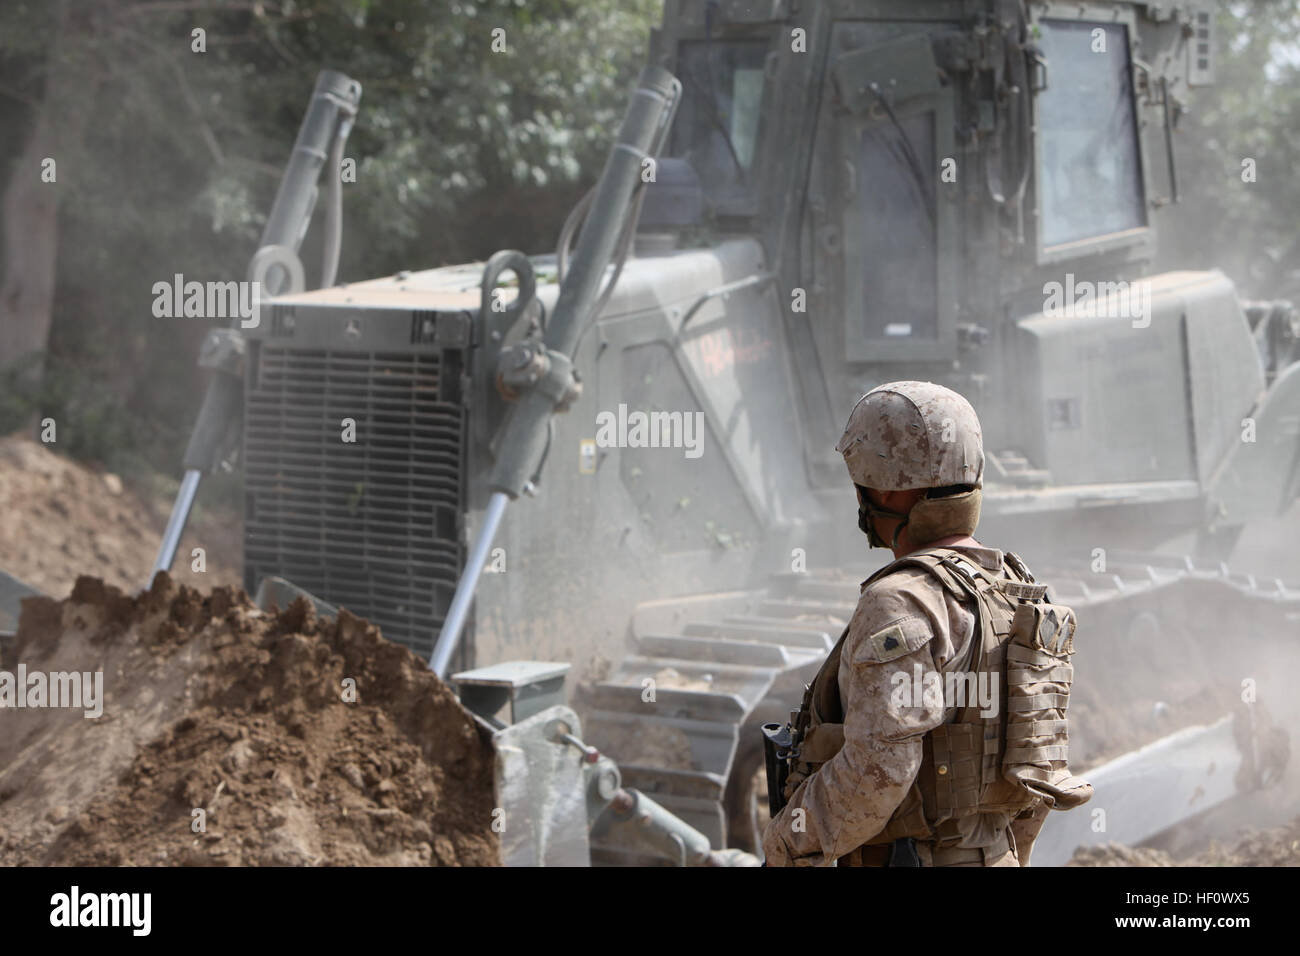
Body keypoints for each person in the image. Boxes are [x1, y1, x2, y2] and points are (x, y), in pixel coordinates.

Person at [761, 381, 1091, 867]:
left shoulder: (898, 601)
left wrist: (784, 846)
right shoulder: (1014, 588)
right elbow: (1037, 772)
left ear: (885, 486)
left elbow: (879, 770)